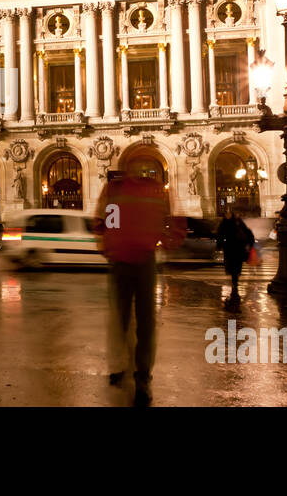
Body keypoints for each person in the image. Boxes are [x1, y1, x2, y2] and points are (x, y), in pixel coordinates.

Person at [95, 165, 170, 407]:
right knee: (124, 319)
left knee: (141, 321)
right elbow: (105, 220)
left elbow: (163, 219)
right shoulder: (116, 189)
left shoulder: (151, 190)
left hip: (142, 258)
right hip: (124, 259)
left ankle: (140, 375)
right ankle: (125, 367)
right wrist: (109, 245)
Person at [215, 209, 254, 301]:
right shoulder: (236, 222)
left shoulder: (228, 222)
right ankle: (235, 282)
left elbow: (220, 235)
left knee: (234, 265)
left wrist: (219, 245)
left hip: (233, 248)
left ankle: (234, 282)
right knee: (235, 266)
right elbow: (247, 232)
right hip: (235, 248)